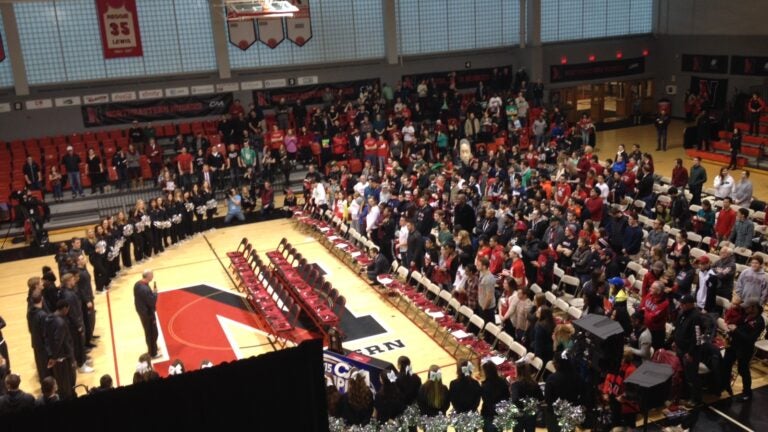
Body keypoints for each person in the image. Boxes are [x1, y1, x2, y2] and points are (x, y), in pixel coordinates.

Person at [721, 299, 765, 401]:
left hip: (745, 348)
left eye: (747, 307)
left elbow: (750, 339)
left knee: (743, 370)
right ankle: (725, 386)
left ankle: (747, 393)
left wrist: (736, 330)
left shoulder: (759, 322)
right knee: (726, 366)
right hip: (733, 344)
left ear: (754, 307)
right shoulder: (744, 314)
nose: (744, 308)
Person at [673, 294, 703, 407]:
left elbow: (697, 338)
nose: (681, 305)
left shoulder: (696, 317)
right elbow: (678, 329)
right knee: (684, 375)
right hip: (680, 349)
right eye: (681, 303)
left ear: (691, 304)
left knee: (692, 376)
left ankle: (696, 399)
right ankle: (686, 395)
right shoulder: (682, 314)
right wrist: (675, 341)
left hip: (690, 353)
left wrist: (690, 353)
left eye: (683, 304)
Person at [44, 300, 77, 400]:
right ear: (64, 309)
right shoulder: (61, 323)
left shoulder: (48, 318)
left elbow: (45, 337)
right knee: (67, 382)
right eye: (68, 309)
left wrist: (50, 355)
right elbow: (59, 342)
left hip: (55, 356)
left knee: (61, 380)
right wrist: (71, 359)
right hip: (63, 357)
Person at [134, 270, 160, 358]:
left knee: (149, 332)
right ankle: (153, 353)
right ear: (148, 276)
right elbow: (152, 302)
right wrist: (155, 293)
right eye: (152, 275)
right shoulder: (145, 289)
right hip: (148, 314)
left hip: (142, 312)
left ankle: (153, 348)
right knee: (152, 333)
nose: (153, 276)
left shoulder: (137, 284)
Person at [27, 289, 50, 382]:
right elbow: (45, 332)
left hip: (35, 341)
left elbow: (30, 328)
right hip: (43, 344)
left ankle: (43, 380)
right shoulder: (42, 315)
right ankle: (47, 383)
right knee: (46, 366)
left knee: (40, 364)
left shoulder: (30, 312)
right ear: (42, 299)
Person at [481, 361, 510, 432]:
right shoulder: (503, 381)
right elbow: (508, 397)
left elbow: (487, 402)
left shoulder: (484, 386)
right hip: (500, 414)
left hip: (489, 416)